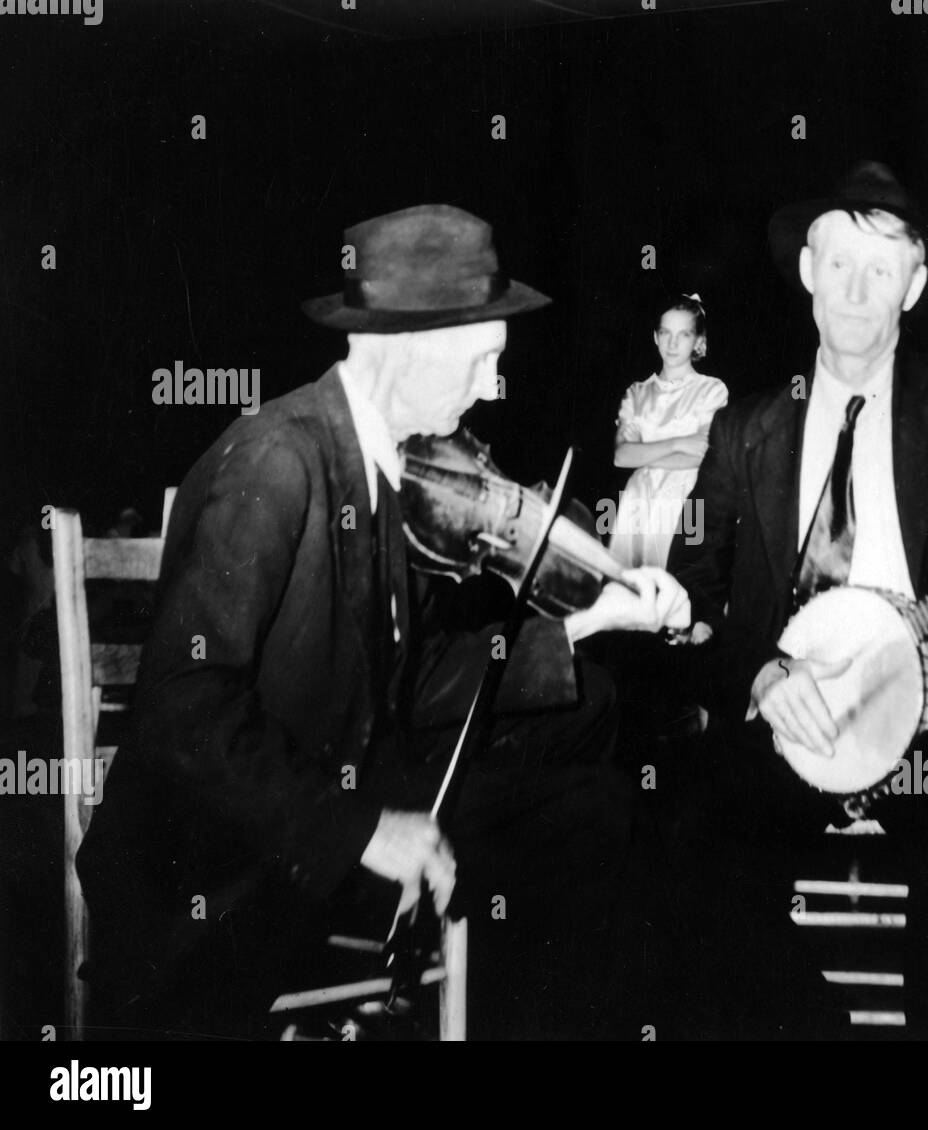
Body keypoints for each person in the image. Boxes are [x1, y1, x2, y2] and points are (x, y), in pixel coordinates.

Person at [77, 204, 690, 1040]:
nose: (489, 387)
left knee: (597, 783)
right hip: (222, 865)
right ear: (401, 348)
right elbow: (182, 709)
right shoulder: (279, 458)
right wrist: (363, 830)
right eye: (479, 362)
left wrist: (587, 624)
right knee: (586, 826)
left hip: (327, 798)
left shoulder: (385, 470)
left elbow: (416, 676)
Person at [669, 162, 928, 1039]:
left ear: (914, 285)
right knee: (680, 839)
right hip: (787, 719)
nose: (855, 289)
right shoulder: (743, 430)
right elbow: (690, 596)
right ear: (806, 270)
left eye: (882, 269)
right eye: (838, 263)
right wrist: (761, 676)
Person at [609, 294, 728, 569]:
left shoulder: (712, 390)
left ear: (698, 341)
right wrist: (678, 442)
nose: (672, 344)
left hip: (689, 504)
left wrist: (645, 453)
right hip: (638, 504)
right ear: (655, 337)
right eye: (665, 333)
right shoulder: (637, 392)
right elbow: (622, 457)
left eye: (684, 335)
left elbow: (705, 454)